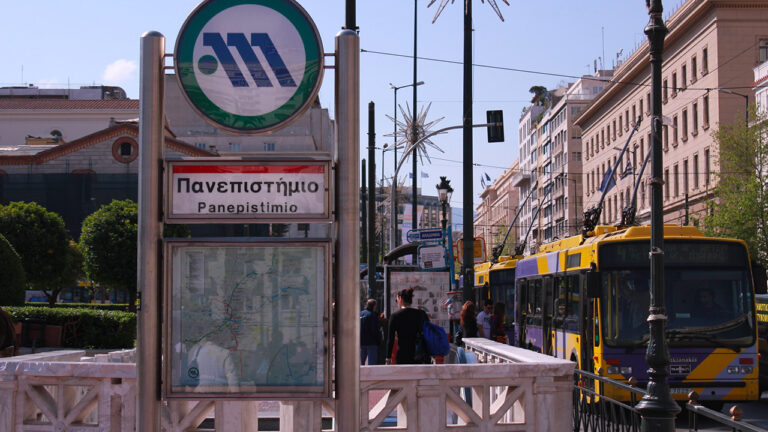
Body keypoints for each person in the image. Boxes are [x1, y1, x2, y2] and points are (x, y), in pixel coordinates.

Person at [386, 287, 429, 365]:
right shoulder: (421, 314)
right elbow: (428, 333)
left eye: (397, 301)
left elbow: (390, 339)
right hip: (420, 355)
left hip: (403, 356)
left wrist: (388, 358)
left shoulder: (395, 316)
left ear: (400, 299)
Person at [360, 299, 382, 365]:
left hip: (361, 342)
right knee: (372, 364)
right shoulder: (373, 315)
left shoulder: (361, 314)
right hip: (371, 342)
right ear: (374, 306)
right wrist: (378, 341)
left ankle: (360, 375)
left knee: (360, 363)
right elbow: (375, 330)